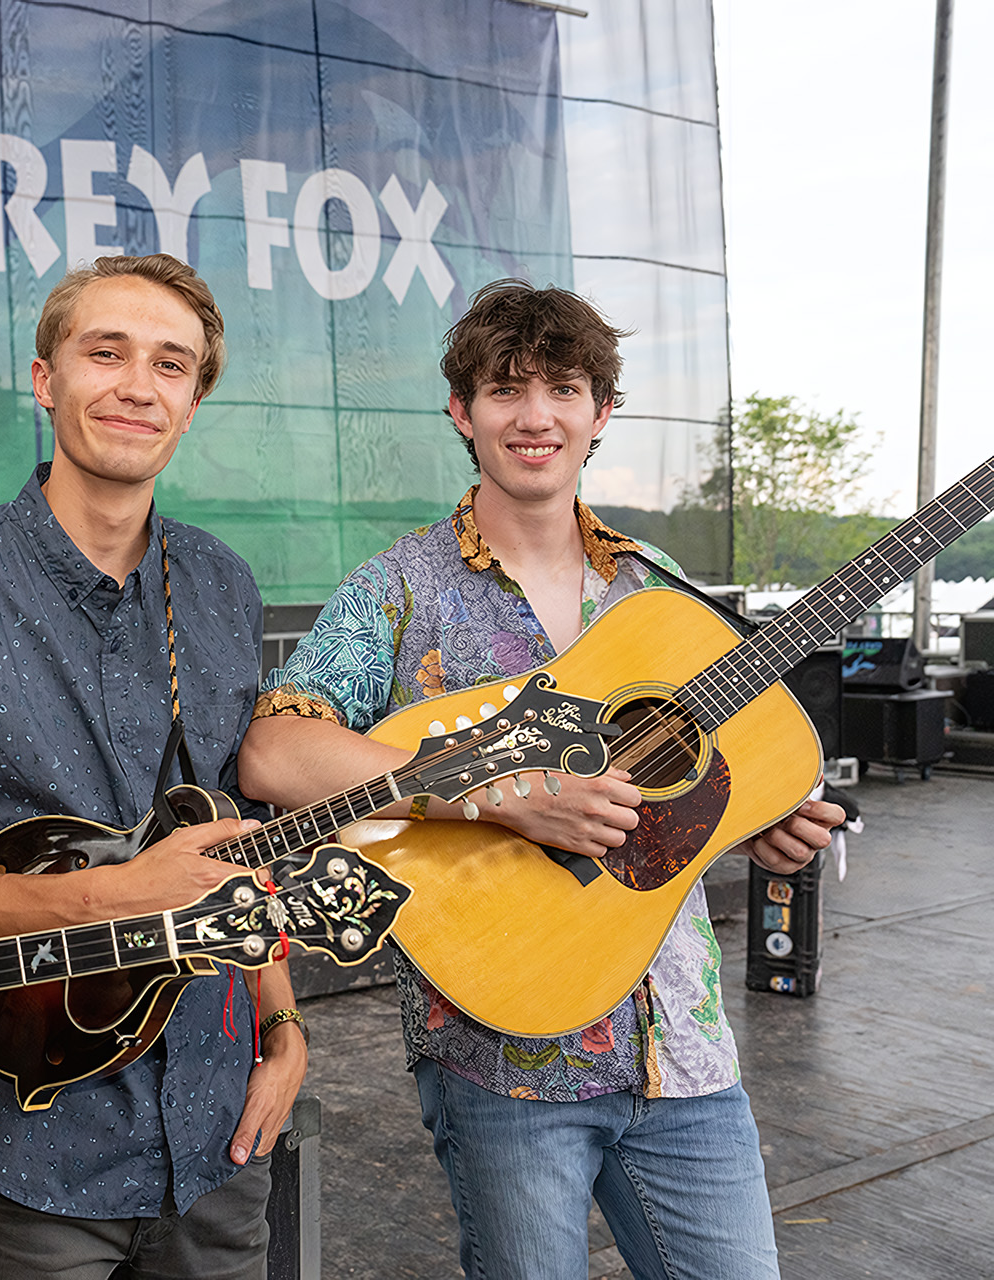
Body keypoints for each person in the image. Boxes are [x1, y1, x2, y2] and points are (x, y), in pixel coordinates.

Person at [237, 278, 843, 1279]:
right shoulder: (401, 588)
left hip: (682, 1046)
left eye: (563, 389)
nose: (535, 416)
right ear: (461, 411)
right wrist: (499, 793)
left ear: (600, 413)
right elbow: (274, 749)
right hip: (503, 1054)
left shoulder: (657, 584)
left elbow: (695, 781)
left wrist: (756, 822)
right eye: (505, 388)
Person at [0, 254, 307, 1280]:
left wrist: (281, 1024)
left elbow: (239, 839)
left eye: (171, 364)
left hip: (220, 1137)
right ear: (45, 379)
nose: (138, 385)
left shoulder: (223, 587)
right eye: (107, 352)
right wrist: (116, 894)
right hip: (31, 1150)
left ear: (193, 402)